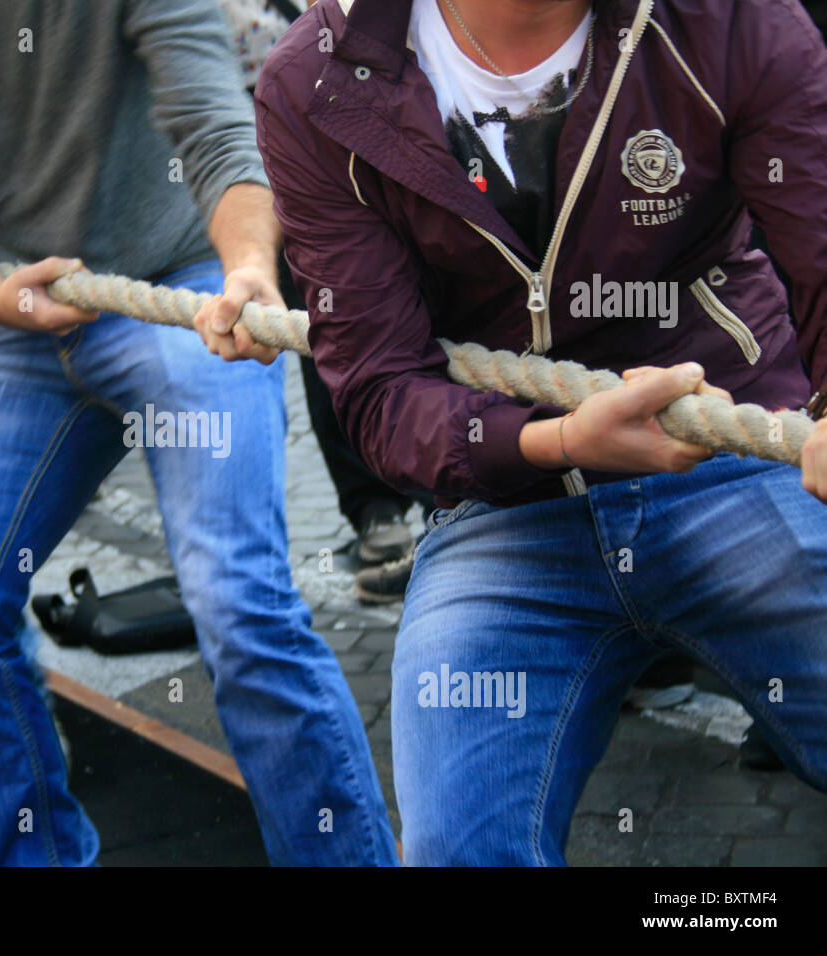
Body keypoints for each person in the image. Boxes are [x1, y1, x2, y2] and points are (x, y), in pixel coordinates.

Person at [0, 0, 398, 866]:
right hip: (21, 304)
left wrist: (247, 267)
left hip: (185, 284)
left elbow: (213, 121)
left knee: (238, 606)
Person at [255, 0, 827, 864]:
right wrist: (555, 443)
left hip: (733, 456)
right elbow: (376, 391)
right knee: (456, 845)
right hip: (504, 504)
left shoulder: (732, 21)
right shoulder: (316, 80)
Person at [220, 0, 429, 604]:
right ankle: (380, 514)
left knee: (418, 323)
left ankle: (446, 511)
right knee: (328, 338)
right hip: (264, 163)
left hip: (366, 132)